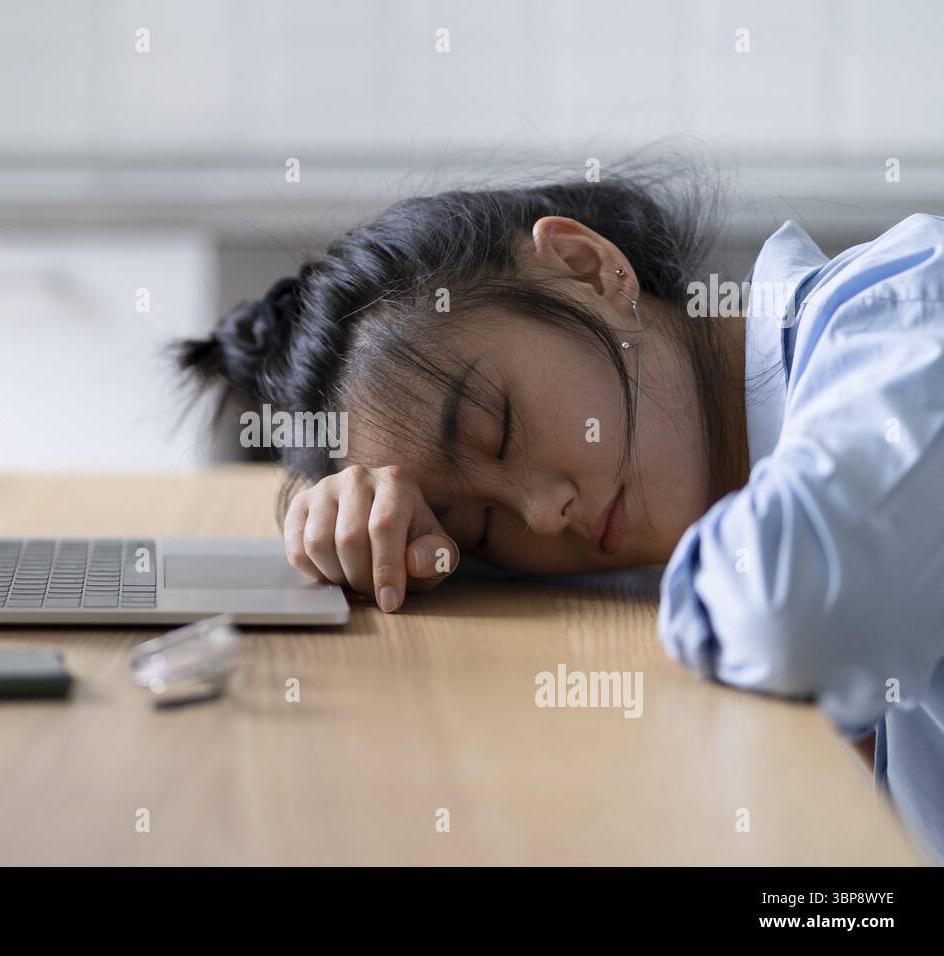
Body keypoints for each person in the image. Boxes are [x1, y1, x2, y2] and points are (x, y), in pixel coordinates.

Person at [174, 169, 944, 860]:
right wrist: (388, 547)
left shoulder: (901, 316)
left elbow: (801, 613)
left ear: (587, 268)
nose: (543, 518)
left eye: (499, 426)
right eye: (478, 524)